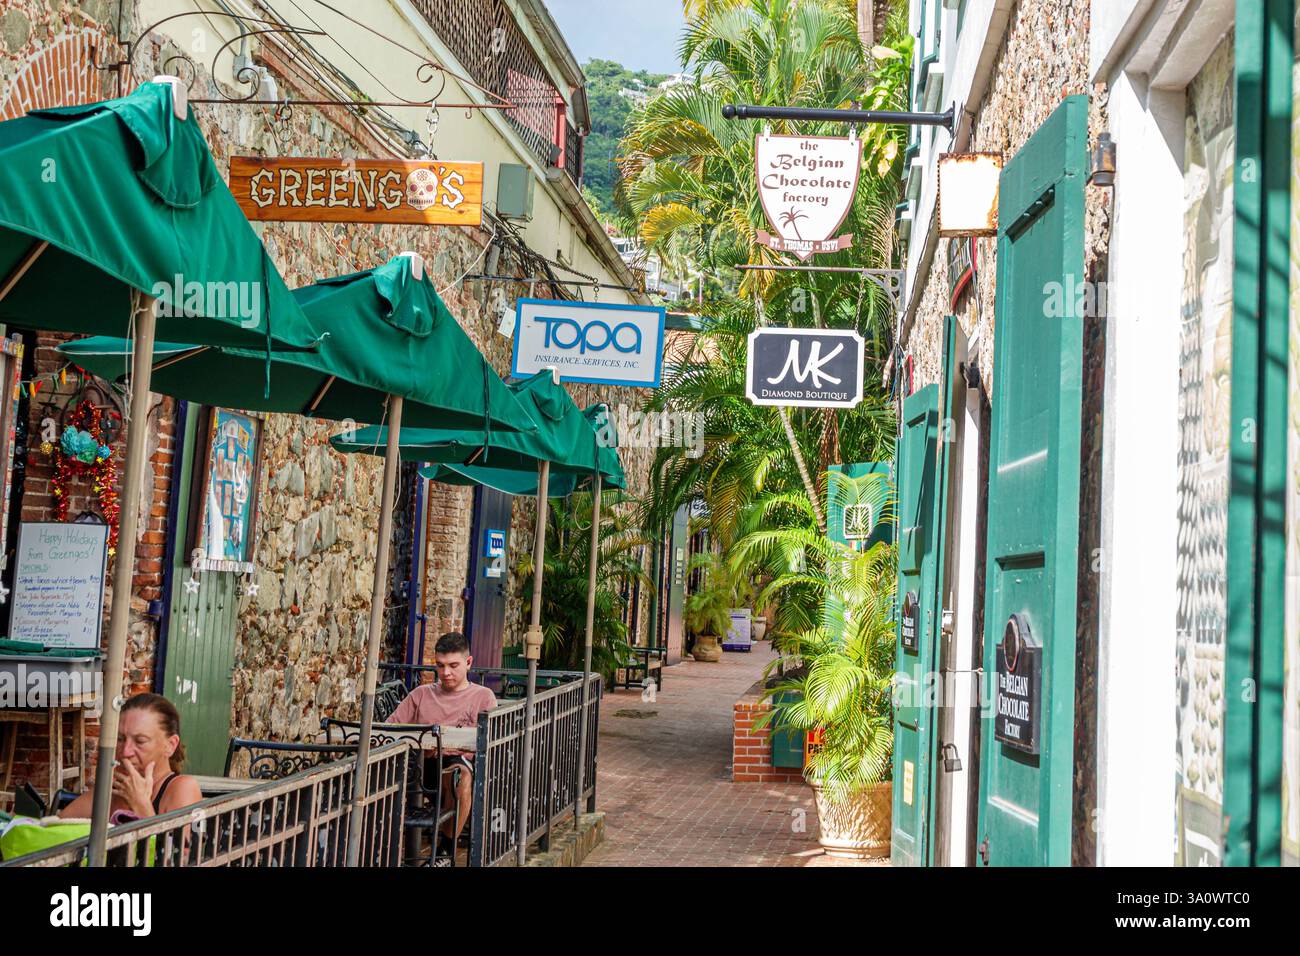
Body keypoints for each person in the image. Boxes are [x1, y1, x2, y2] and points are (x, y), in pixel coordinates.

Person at [389, 631, 496, 864]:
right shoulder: (420, 695)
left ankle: (446, 851)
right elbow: (390, 730)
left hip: (459, 768)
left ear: (468, 663)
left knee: (460, 776)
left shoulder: (483, 697)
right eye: (440, 665)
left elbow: (491, 741)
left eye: (453, 665)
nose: (446, 672)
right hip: (420, 768)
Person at [61, 693, 202, 821]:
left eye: (140, 741)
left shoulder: (183, 788)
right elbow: (54, 830)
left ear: (170, 745)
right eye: (120, 739)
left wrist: (141, 805)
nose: (126, 752)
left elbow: (187, 849)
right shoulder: (111, 792)